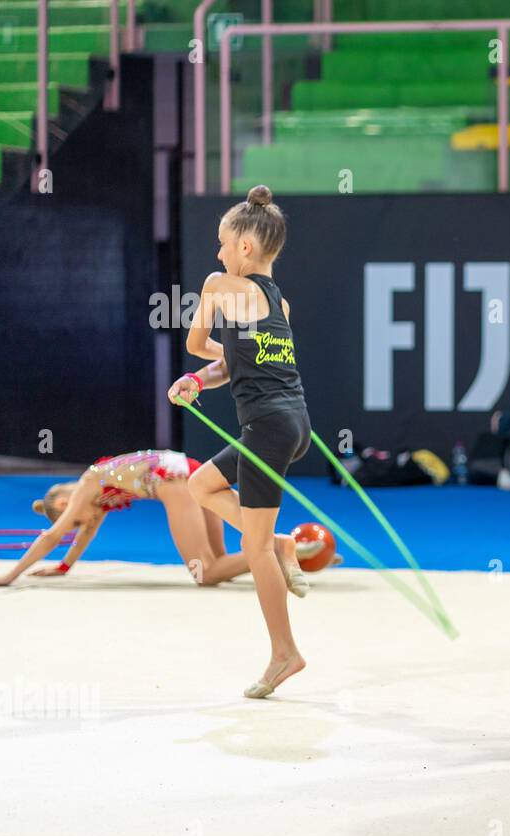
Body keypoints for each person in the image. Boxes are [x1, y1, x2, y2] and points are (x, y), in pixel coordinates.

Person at [172, 183, 314, 697]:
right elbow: (234, 365)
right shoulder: (281, 303)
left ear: (245, 248)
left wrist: (201, 359)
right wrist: (199, 381)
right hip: (292, 424)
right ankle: (281, 543)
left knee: (251, 548)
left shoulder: (220, 285)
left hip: (269, 428)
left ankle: (284, 653)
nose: (218, 253)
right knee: (201, 486)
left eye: (223, 243)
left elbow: (193, 343)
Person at [0, 447, 304, 588]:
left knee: (205, 574)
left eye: (73, 519)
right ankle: (289, 552)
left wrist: (11, 576)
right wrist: (65, 566)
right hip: (194, 471)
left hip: (176, 484)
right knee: (221, 563)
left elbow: (53, 535)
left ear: (64, 504)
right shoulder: (98, 492)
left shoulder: (88, 483)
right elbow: (86, 532)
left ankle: (276, 547)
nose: (82, 522)